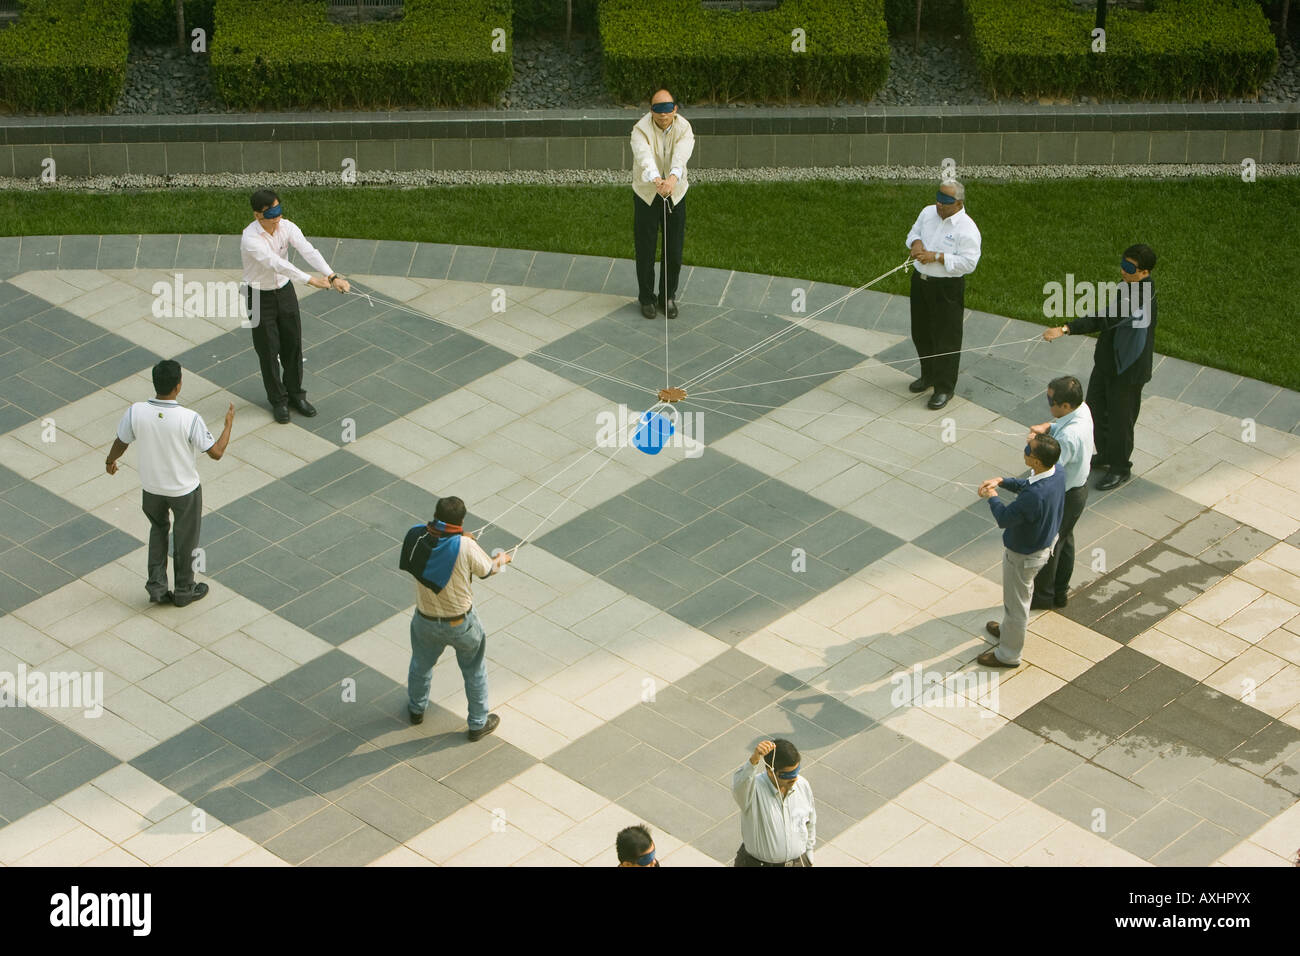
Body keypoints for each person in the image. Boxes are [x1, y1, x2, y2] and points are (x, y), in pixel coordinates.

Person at [104, 360, 234, 607]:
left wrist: (110, 461)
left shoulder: (136, 411)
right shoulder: (189, 418)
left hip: (151, 489)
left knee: (158, 530)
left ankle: (156, 587)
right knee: (186, 539)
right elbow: (216, 452)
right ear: (178, 386)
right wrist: (228, 426)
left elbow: (121, 441)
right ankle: (185, 590)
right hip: (184, 490)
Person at [1042, 244, 1157, 490]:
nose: (1123, 270)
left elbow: (1103, 319)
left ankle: (1120, 467)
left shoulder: (1139, 298)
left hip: (1126, 370)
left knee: (1120, 420)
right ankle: (1106, 454)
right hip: (1109, 363)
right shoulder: (1130, 286)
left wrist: (1065, 329)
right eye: (1123, 264)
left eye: (1129, 268)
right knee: (1095, 409)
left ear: (1144, 273)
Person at [401, 495, 512, 740]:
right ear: (461, 520)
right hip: (461, 622)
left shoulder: (415, 535)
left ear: (436, 515)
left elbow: (440, 543)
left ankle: (416, 709)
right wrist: (502, 559)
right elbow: (486, 570)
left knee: (421, 664)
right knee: (474, 671)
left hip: (425, 619)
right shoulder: (465, 545)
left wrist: (462, 538)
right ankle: (477, 724)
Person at [239, 188, 351, 424]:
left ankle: (295, 395)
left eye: (279, 208)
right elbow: (276, 264)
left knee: (292, 345)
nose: (277, 215)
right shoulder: (250, 238)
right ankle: (278, 401)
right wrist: (310, 281)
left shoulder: (287, 227)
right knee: (268, 350)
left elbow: (308, 250)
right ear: (257, 215)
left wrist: (331, 277)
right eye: (271, 212)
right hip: (259, 296)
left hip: (284, 291)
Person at [977, 435, 1066, 668]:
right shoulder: (1057, 471)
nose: (1025, 450)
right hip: (1042, 545)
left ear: (1036, 461)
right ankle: (1008, 631)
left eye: (1029, 449)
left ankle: (1008, 655)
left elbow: (1005, 518)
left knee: (1016, 605)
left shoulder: (1035, 496)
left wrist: (992, 496)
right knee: (1018, 599)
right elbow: (1029, 484)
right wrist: (1003, 481)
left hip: (1024, 555)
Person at [905, 180, 982, 410]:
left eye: (946, 201)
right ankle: (928, 376)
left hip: (946, 289)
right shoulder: (928, 212)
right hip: (921, 283)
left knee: (945, 338)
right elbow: (914, 232)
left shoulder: (967, 228)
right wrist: (916, 243)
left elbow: (969, 263)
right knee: (921, 332)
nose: (939, 204)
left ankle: (944, 388)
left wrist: (937, 257)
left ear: (958, 203)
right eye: (938, 197)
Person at [1027, 375, 1094, 610]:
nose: (1048, 403)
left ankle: (1042, 597)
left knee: (1049, 546)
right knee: (1064, 542)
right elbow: (1062, 426)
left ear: (1065, 405)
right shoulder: (1082, 409)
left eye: (1050, 400)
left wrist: (1035, 445)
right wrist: (1048, 426)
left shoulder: (1067, 438)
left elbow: (1050, 469)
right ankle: (1060, 592)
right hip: (1077, 490)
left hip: (1064, 495)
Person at [631, 88, 694, 321]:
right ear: (651, 110)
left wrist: (673, 180)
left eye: (668, 108)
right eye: (658, 109)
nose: (663, 114)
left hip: (675, 193)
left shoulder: (684, 128)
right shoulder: (640, 129)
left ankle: (667, 297)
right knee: (646, 249)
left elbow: (681, 155)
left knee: (674, 250)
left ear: (675, 109)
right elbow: (644, 157)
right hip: (647, 194)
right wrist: (658, 180)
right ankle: (646, 298)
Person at [731, 738, 816, 867]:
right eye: (787, 775)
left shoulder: (802, 785)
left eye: (796, 771)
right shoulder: (753, 790)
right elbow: (739, 785)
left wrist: (809, 855)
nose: (794, 778)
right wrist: (754, 759)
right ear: (770, 770)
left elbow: (810, 822)